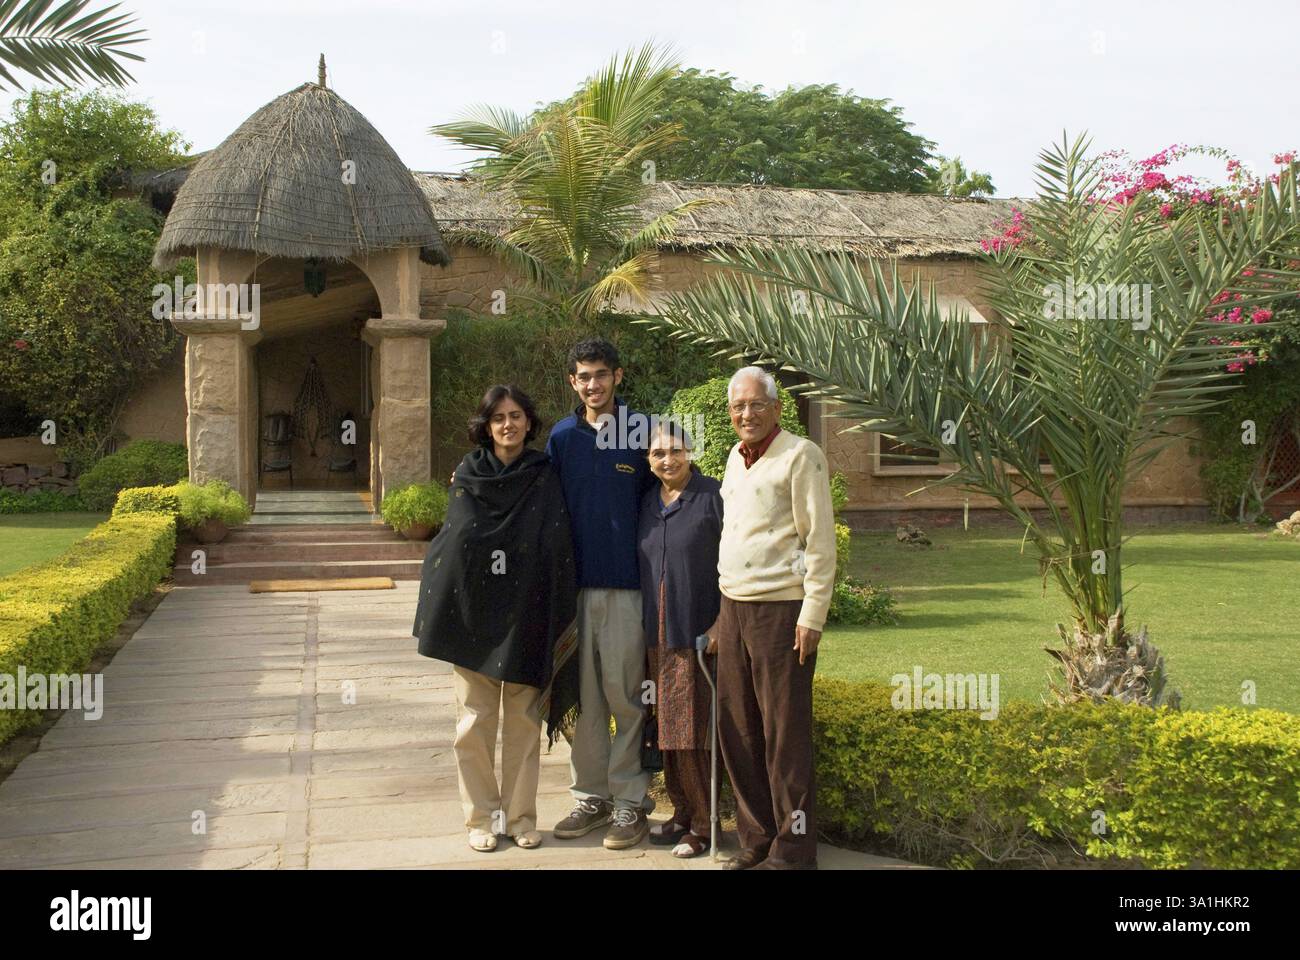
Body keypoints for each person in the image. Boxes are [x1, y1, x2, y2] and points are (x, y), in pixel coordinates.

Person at [412, 385, 579, 853]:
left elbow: (554, 544)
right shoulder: (469, 473)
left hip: (526, 615)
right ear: (485, 426)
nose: (508, 425)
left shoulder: (543, 474)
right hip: (472, 619)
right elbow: (459, 541)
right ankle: (481, 818)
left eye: (517, 416)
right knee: (474, 722)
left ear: (529, 422)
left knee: (524, 723)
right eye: (499, 418)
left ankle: (522, 816)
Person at [709, 366, 835, 870]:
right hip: (733, 609)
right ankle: (756, 839)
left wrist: (813, 614)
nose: (746, 414)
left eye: (756, 405)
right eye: (738, 406)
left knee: (784, 735)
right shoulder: (734, 459)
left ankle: (793, 850)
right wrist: (721, 618)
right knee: (738, 729)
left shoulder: (801, 456)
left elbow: (820, 541)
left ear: (777, 409)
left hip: (782, 612)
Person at [546, 338, 657, 850]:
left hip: (628, 590)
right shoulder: (562, 438)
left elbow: (674, 488)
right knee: (585, 701)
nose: (593, 384)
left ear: (618, 376)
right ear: (573, 382)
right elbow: (539, 500)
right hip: (574, 592)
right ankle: (591, 797)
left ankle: (630, 802)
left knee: (626, 697)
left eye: (601, 375)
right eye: (583, 376)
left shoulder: (643, 433)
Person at [636, 419, 723, 858]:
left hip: (696, 635)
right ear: (648, 461)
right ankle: (682, 813)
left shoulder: (713, 497)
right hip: (656, 636)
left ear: (690, 452)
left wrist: (723, 622)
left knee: (692, 732)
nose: (667, 459)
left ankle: (705, 826)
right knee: (666, 729)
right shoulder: (647, 503)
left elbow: (737, 561)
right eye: (657, 454)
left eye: (675, 451)